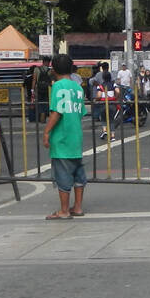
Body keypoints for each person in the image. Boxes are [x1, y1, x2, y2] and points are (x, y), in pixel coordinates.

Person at [42, 54, 86, 220]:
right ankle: (78, 207)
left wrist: (46, 132)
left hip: (62, 138)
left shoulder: (58, 87)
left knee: (63, 175)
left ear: (54, 69)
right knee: (78, 174)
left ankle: (64, 210)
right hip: (76, 137)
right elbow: (81, 112)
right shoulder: (78, 88)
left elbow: (57, 112)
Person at [29, 56, 53, 124]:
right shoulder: (50, 70)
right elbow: (51, 81)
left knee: (40, 104)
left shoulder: (36, 69)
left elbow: (34, 80)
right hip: (47, 90)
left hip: (39, 89)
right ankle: (44, 118)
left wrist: (32, 90)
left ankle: (42, 119)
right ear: (47, 62)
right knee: (46, 103)